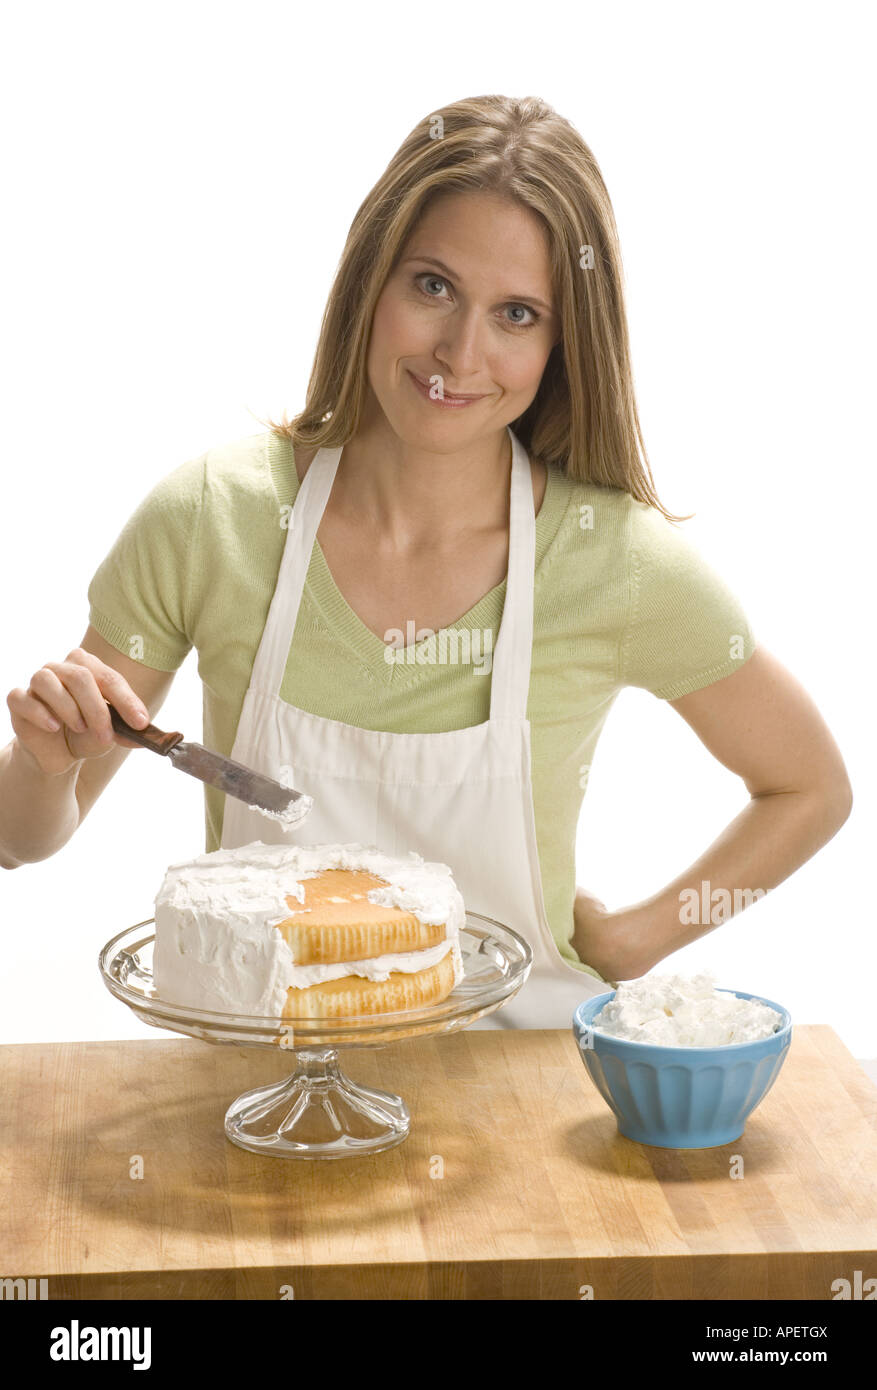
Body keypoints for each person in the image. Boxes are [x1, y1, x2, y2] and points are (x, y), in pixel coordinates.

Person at [0, 95, 852, 1027]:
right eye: (433, 287)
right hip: (261, 1104)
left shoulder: (615, 564)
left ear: (564, 342)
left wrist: (645, 934)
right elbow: (18, 840)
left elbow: (809, 790)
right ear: (372, 278)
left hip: (514, 1104)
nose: (459, 353)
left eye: (517, 314)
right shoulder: (214, 519)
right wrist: (46, 765)